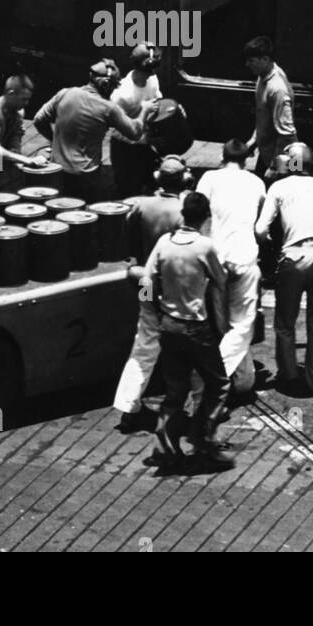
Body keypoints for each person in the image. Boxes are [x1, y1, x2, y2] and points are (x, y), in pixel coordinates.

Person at [148, 192, 233, 471]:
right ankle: (204, 437)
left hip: (169, 324)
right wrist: (222, 321)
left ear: (183, 215)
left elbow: (147, 280)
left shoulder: (163, 243)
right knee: (218, 383)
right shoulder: (204, 247)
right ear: (205, 218)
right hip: (196, 326)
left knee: (175, 390)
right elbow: (221, 283)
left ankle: (164, 442)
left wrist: (157, 305)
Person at [113, 156, 190, 432]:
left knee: (144, 345)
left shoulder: (141, 205)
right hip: (173, 285)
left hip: (146, 281)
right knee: (186, 347)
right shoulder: (185, 210)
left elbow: (128, 238)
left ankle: (129, 406)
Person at [255, 141, 313, 395]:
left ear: (291, 163)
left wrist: (271, 242)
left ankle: (289, 374)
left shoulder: (279, 187)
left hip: (292, 258)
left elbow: (260, 229)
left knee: (285, 321)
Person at [195, 139, 266, 399]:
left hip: (216, 259)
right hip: (244, 257)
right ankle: (217, 376)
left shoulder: (208, 179)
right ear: (246, 159)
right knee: (242, 325)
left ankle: (244, 380)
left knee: (224, 324)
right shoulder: (256, 183)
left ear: (222, 157)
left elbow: (200, 212)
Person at [33, 59, 147, 202]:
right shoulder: (109, 108)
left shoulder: (65, 93)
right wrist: (145, 110)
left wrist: (54, 140)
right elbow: (135, 133)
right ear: (109, 85)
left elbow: (38, 120)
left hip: (57, 171)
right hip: (87, 176)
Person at [110, 42, 162, 199]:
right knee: (127, 192)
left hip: (145, 145)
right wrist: (144, 110)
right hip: (126, 149)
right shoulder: (122, 94)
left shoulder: (152, 79)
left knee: (151, 187)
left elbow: (158, 99)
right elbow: (123, 128)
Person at [243, 36, 296, 178]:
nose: (247, 65)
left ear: (265, 59)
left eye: (251, 61)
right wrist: (253, 142)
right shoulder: (262, 76)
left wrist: (275, 166)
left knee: (287, 190)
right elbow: (263, 116)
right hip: (268, 152)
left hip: (284, 156)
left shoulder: (278, 89)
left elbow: (288, 133)